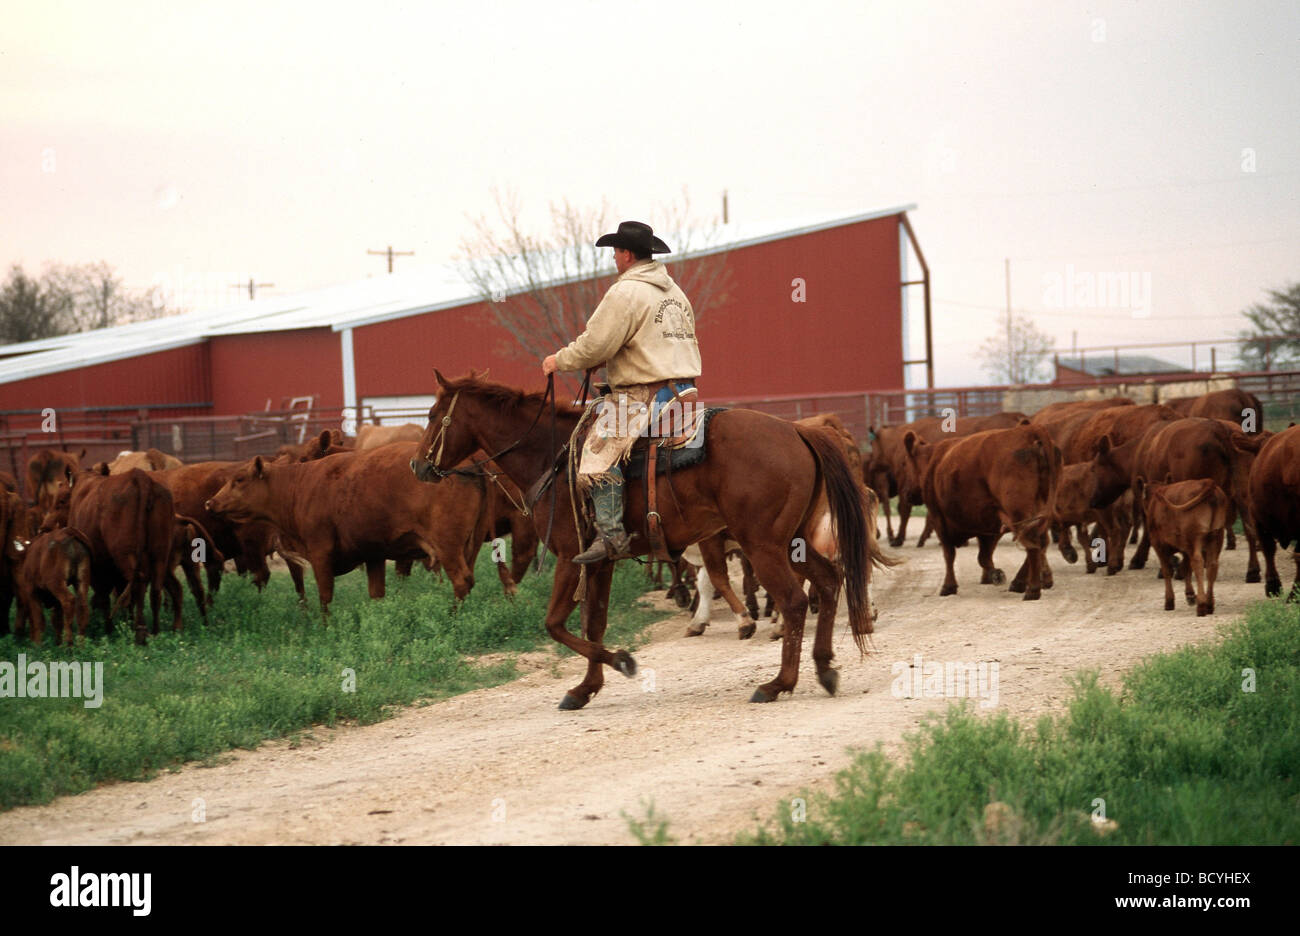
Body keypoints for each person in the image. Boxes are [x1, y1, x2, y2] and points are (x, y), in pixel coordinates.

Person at [542, 220, 702, 564]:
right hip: (684, 392)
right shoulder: (675, 292)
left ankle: (611, 534)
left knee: (596, 453)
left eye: (615, 252)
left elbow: (594, 345)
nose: (614, 259)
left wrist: (560, 359)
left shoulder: (626, 291)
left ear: (627, 254)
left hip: (645, 396)